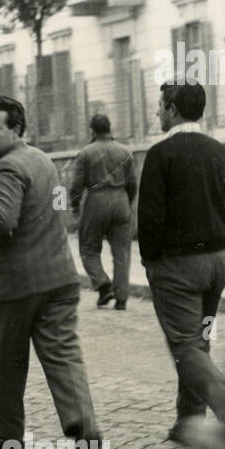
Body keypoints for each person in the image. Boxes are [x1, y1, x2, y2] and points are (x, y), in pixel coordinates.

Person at [0, 96, 99, 449]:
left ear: (16, 129)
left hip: (17, 285)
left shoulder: (6, 168)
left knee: (7, 362)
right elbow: (57, 210)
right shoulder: (44, 161)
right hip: (61, 276)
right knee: (63, 356)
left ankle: (9, 435)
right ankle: (84, 430)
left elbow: (3, 220)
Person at [138, 81, 225, 443]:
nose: (157, 112)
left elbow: (151, 216)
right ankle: (189, 420)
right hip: (219, 265)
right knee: (202, 338)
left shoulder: (161, 155)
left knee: (186, 345)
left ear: (173, 108)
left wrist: (150, 262)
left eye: (160, 106)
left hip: (178, 268)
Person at [70, 113, 137, 309]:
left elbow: (76, 185)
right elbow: (133, 183)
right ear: (110, 129)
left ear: (92, 130)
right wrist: (127, 201)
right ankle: (122, 297)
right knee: (122, 252)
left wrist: (74, 206)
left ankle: (102, 285)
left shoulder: (85, 153)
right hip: (121, 200)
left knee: (88, 248)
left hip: (96, 201)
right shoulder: (125, 151)